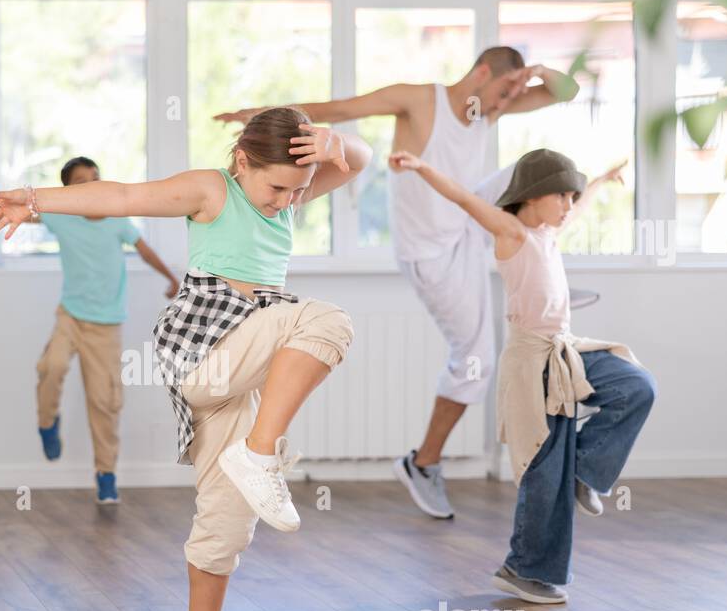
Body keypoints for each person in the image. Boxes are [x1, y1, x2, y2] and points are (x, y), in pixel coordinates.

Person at [0, 107, 368, 611]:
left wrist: (336, 142)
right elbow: (122, 195)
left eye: (296, 193)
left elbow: (360, 162)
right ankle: (261, 454)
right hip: (204, 348)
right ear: (243, 162)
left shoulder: (286, 195)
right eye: (276, 189)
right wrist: (33, 201)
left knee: (227, 521)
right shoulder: (213, 189)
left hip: (241, 364)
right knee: (327, 321)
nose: (285, 203)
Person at [217, 47, 579, 519]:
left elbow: (566, 91)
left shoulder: (490, 107)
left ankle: (541, 278)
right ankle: (422, 464)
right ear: (482, 72)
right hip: (431, 252)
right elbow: (340, 109)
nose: (507, 102)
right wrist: (257, 116)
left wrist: (537, 72)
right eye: (505, 90)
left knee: (539, 166)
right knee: (477, 362)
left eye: (515, 94)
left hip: (466, 222)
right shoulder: (419, 101)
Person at [390, 147, 655, 604]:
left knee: (635, 385)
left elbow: (580, 206)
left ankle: (585, 472)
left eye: (572, 197)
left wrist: (601, 180)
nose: (569, 206)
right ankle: (524, 570)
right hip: (533, 363)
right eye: (561, 196)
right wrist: (422, 167)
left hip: (565, 350)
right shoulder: (511, 232)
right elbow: (463, 199)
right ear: (532, 195)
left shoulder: (550, 231)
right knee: (544, 467)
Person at [0, 156, 179, 503]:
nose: (92, 185)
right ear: (68, 191)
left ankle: (106, 474)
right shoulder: (61, 217)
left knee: (104, 402)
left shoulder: (118, 221)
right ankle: (47, 423)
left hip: (106, 326)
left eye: (95, 177)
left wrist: (171, 278)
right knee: (51, 366)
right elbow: (15, 213)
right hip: (70, 317)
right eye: (81, 181)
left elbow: (145, 252)